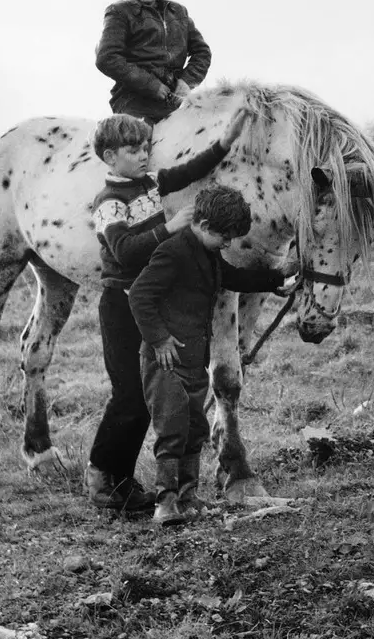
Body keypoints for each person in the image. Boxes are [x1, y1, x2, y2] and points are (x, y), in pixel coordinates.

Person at [86, 108, 252, 513]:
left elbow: (187, 171)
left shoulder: (148, 184)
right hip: (122, 303)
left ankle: (123, 482)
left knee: (150, 398)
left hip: (147, 301)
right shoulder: (108, 204)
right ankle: (102, 477)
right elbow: (123, 252)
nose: (143, 155)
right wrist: (171, 227)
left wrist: (224, 144)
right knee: (129, 395)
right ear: (109, 157)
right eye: (132, 149)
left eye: (146, 147)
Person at [129, 185, 295, 525]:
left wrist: (275, 277)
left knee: (194, 427)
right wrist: (159, 340)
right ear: (203, 224)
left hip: (192, 359)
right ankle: (165, 502)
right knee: (172, 429)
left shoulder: (208, 254)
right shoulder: (171, 252)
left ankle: (188, 496)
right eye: (225, 237)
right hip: (166, 361)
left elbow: (232, 277)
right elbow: (140, 296)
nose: (228, 244)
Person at [95, 0, 212, 124]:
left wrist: (186, 82)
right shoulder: (119, 13)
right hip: (134, 101)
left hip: (175, 101)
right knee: (137, 145)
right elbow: (107, 57)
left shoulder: (178, 12)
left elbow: (202, 53)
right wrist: (151, 85)